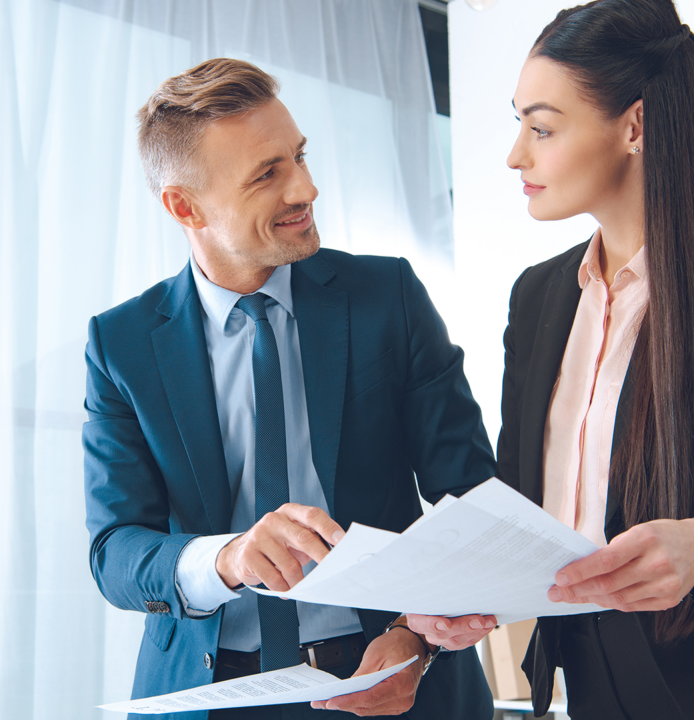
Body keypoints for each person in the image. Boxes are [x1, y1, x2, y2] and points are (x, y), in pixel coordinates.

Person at [408, 1, 694, 718]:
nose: (516, 155)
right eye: (519, 123)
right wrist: (458, 596)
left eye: (542, 127)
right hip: (587, 690)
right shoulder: (540, 296)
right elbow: (525, 509)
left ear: (635, 126)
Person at [82, 59, 497, 719]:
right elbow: (116, 551)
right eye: (267, 174)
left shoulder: (388, 298)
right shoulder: (123, 344)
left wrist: (416, 637)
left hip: (391, 680)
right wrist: (228, 557)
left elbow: (470, 499)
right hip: (207, 694)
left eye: (298, 157)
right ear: (184, 206)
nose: (305, 188)